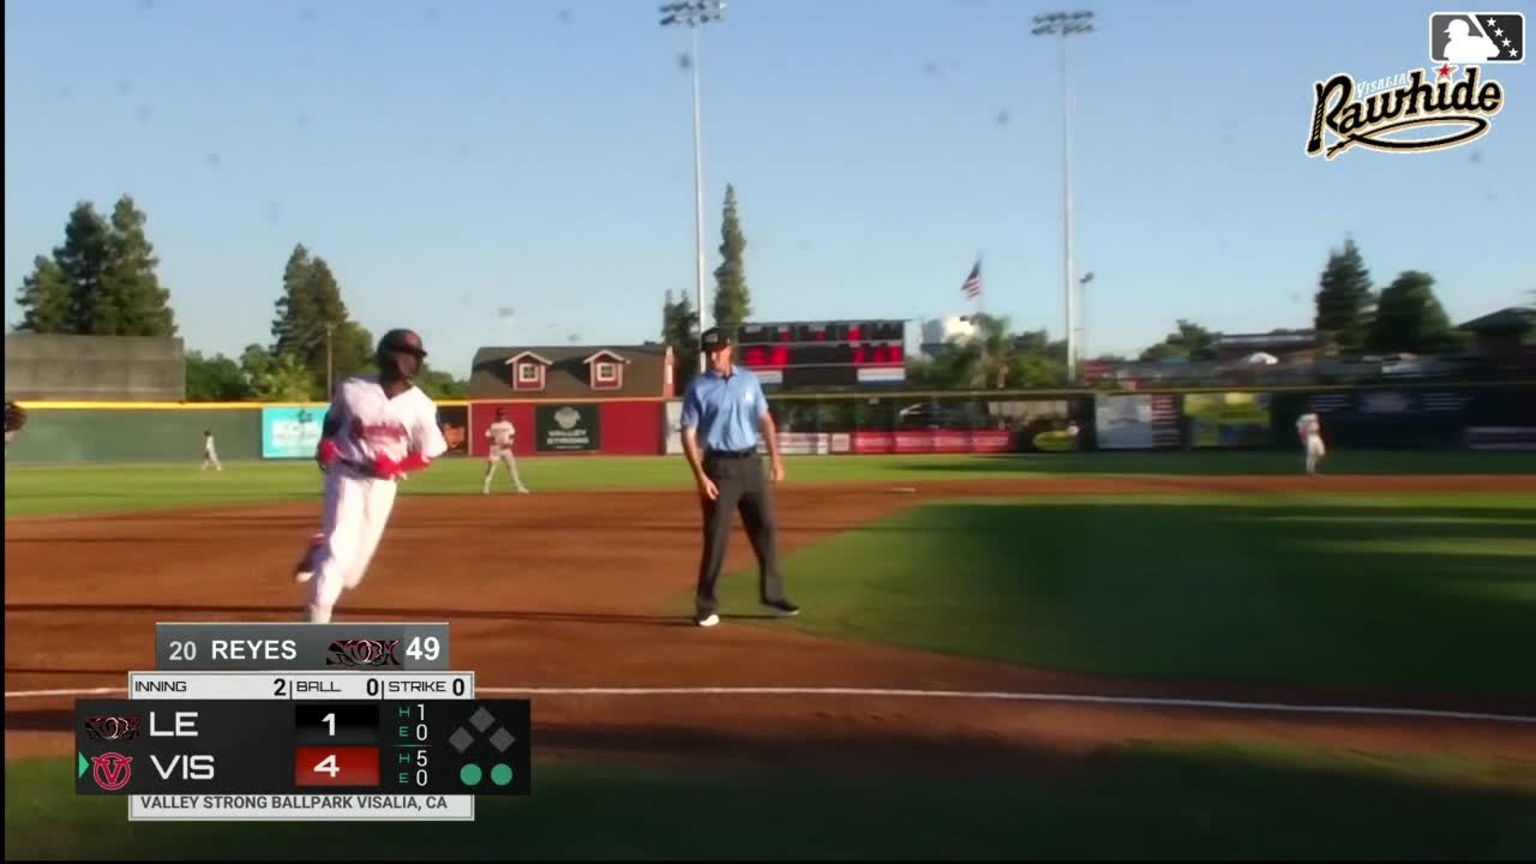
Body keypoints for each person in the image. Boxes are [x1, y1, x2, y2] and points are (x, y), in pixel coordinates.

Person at [292, 328, 448, 623]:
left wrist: (400, 466)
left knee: (351, 575)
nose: (407, 360)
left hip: (382, 487)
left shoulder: (421, 406)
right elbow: (333, 420)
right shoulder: (352, 388)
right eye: (401, 352)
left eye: (413, 355)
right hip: (346, 476)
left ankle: (319, 548)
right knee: (337, 558)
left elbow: (429, 452)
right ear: (384, 355)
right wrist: (325, 443)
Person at [679, 326, 798, 628]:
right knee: (716, 538)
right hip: (719, 469)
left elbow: (765, 420)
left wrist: (777, 460)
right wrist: (700, 477)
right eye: (709, 352)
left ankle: (772, 597)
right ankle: (706, 606)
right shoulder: (698, 387)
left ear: (729, 349)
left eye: (718, 350)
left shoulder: (749, 380)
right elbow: (688, 434)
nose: (713, 356)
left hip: (751, 466)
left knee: (767, 530)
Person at [483, 408, 529, 494]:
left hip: (506, 449)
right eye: (500, 414)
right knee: (491, 468)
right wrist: (496, 445)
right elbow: (489, 436)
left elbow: (512, 435)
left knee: (512, 468)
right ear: (497, 415)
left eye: (503, 414)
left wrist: (509, 443)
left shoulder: (508, 425)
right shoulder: (492, 425)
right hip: (495, 449)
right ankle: (486, 488)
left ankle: (519, 487)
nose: (502, 416)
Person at [1296, 411, 1326, 475]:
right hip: (1309, 436)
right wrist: (1303, 440)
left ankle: (1314, 469)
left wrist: (1318, 435)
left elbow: (1317, 427)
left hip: (1316, 436)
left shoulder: (1314, 415)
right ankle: (1310, 471)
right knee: (1311, 454)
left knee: (1321, 453)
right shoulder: (1302, 417)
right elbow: (1300, 430)